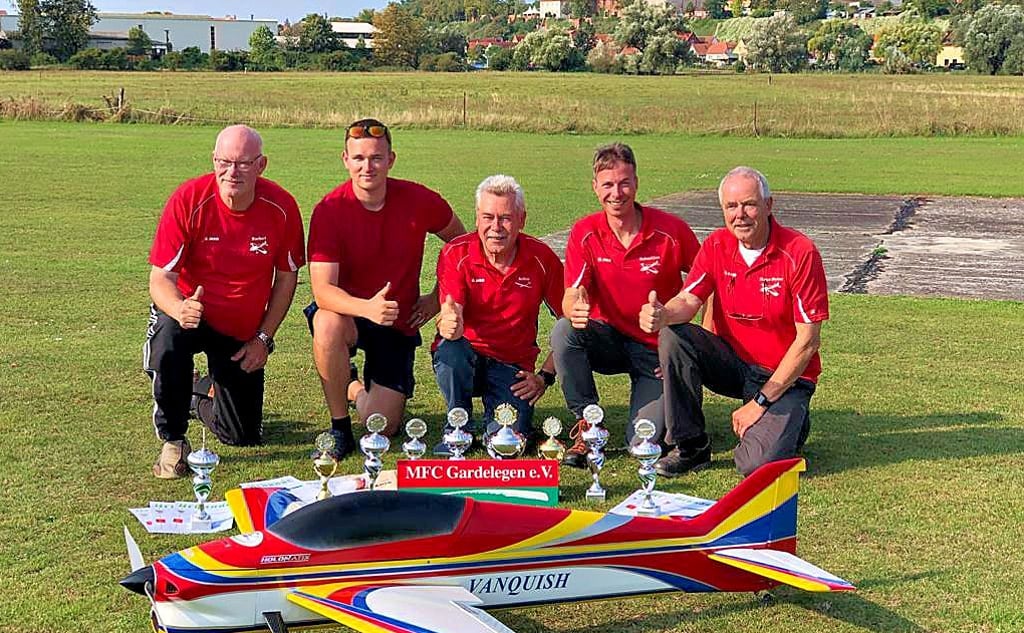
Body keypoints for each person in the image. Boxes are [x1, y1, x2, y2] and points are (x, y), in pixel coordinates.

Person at [640, 166, 829, 477]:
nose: (740, 214)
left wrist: (760, 402)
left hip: (785, 375)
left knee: (754, 465)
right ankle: (691, 446)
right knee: (674, 336)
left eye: (749, 204)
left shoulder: (800, 252)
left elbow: (808, 342)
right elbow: (688, 299)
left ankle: (792, 421)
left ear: (769, 205)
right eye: (731, 206)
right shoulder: (717, 245)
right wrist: (663, 314)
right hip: (734, 364)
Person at [144, 125, 305, 478]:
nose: (233, 172)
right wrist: (180, 307)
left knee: (241, 435)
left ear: (261, 165)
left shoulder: (281, 207)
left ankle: (197, 390)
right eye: (225, 162)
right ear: (214, 161)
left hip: (240, 327)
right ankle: (173, 439)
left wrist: (263, 338)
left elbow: (287, 277)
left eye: (244, 163)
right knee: (168, 338)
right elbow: (160, 280)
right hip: (190, 312)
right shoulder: (188, 199)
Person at [306, 119, 465, 456]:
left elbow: (460, 245)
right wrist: (366, 307)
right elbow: (322, 291)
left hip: (397, 320)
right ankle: (338, 429)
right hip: (350, 314)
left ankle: (351, 387)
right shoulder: (329, 210)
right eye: (359, 158)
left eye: (377, 157)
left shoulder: (419, 199)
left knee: (383, 425)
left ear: (391, 159)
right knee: (326, 322)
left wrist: (436, 298)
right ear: (345, 160)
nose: (368, 166)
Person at [552, 142, 701, 469]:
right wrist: (573, 307)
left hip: (654, 352)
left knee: (642, 444)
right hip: (608, 340)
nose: (616, 193)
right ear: (595, 187)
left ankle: (664, 407)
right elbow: (570, 294)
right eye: (607, 184)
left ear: (636, 182)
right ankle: (589, 423)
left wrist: (683, 348)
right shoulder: (585, 232)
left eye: (624, 182)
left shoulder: (671, 231)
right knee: (565, 331)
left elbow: (709, 280)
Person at [431, 175, 564, 455]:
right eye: (488, 217)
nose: (495, 227)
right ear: (477, 218)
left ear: (521, 220)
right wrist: (448, 322)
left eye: (505, 218)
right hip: (466, 358)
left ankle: (501, 426)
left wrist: (544, 376)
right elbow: (447, 318)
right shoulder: (456, 253)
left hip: (512, 366)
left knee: (507, 445)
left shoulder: (542, 259)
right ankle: (458, 428)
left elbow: (572, 326)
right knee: (450, 349)